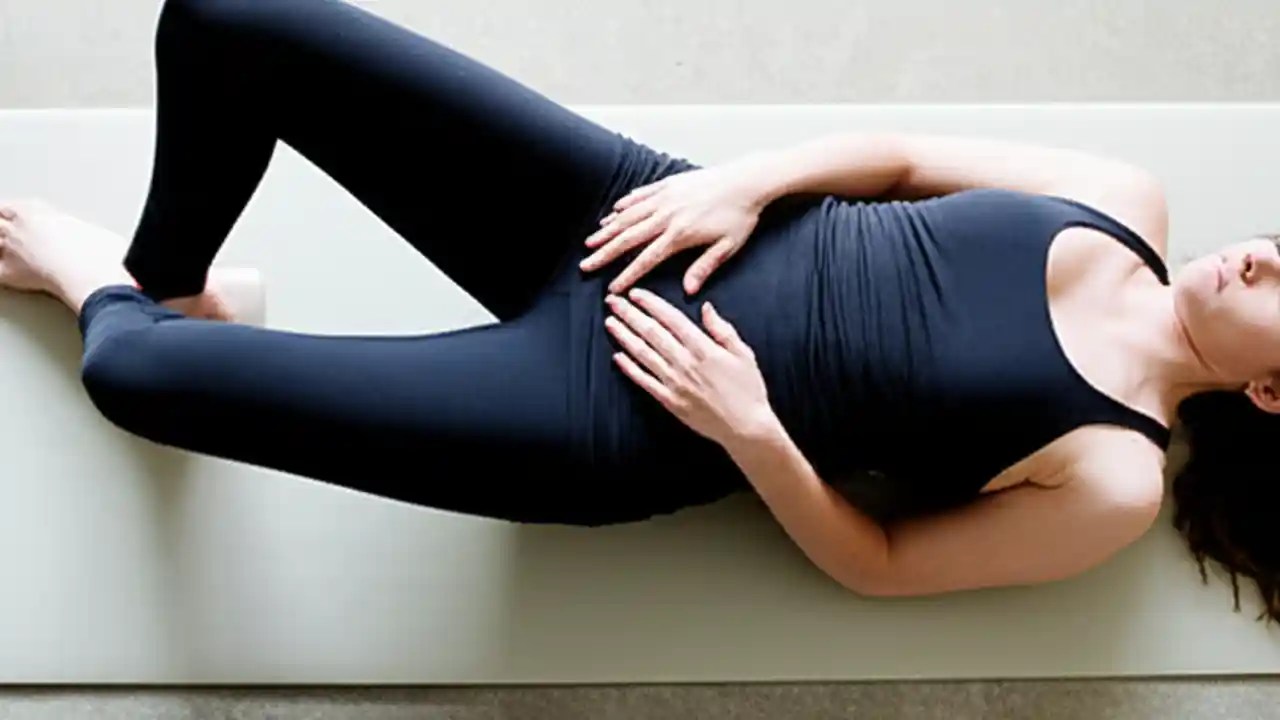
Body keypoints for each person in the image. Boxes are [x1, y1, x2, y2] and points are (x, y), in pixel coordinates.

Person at [2, 0, 1277, 622]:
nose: (1258, 260)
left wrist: (749, 431)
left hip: (611, 414)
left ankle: (98, 281)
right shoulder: (1124, 198)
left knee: (133, 378)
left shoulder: (1112, 478)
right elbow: (896, 159)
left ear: (1270, 394)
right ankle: (176, 281)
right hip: (628, 208)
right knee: (228, 17)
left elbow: (880, 565)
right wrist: (744, 181)